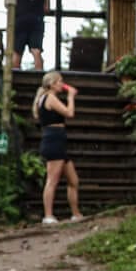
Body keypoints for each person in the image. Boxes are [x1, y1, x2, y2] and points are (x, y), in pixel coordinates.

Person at [31, 71, 83, 224]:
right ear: (52, 84)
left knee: (73, 180)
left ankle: (76, 214)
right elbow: (69, 113)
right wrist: (71, 96)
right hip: (53, 140)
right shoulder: (50, 98)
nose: (62, 84)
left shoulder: (46, 97)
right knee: (52, 180)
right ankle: (48, 216)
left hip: (58, 140)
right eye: (60, 81)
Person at [13, 0, 48, 71]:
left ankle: (14, 75)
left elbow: (9, 1)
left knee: (18, 51)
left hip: (21, 18)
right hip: (36, 19)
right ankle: (39, 74)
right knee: (35, 50)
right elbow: (47, 4)